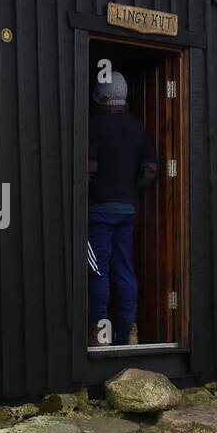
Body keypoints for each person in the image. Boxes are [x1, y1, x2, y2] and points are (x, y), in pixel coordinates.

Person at [87, 71, 157, 346]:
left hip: (98, 211)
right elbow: (150, 170)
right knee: (125, 270)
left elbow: (87, 169)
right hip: (127, 210)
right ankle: (127, 333)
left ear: (101, 97)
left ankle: (98, 334)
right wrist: (130, 189)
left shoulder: (93, 126)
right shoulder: (138, 128)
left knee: (98, 271)